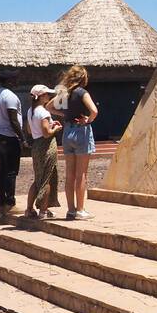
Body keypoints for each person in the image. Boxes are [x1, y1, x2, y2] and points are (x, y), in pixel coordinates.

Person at [56, 65, 99, 220]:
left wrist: (65, 114)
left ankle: (71, 209)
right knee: (81, 174)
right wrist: (88, 120)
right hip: (81, 131)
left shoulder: (63, 91)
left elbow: (49, 106)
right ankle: (81, 210)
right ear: (83, 78)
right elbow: (94, 110)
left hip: (67, 131)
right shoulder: (82, 92)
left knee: (69, 174)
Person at [24, 85, 63, 219]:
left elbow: (30, 130)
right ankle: (43, 210)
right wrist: (56, 129)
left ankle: (29, 209)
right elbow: (47, 133)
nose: (48, 96)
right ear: (40, 97)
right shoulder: (44, 112)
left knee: (39, 178)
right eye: (46, 94)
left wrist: (49, 125)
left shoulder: (31, 111)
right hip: (46, 146)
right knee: (47, 179)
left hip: (36, 146)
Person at [0, 73, 26, 216]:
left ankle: (1, 204)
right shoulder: (10, 96)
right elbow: (13, 120)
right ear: (10, 81)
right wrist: (22, 138)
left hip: (0, 135)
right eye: (15, 78)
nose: (17, 80)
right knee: (11, 171)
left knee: (2, 171)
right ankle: (10, 204)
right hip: (9, 136)